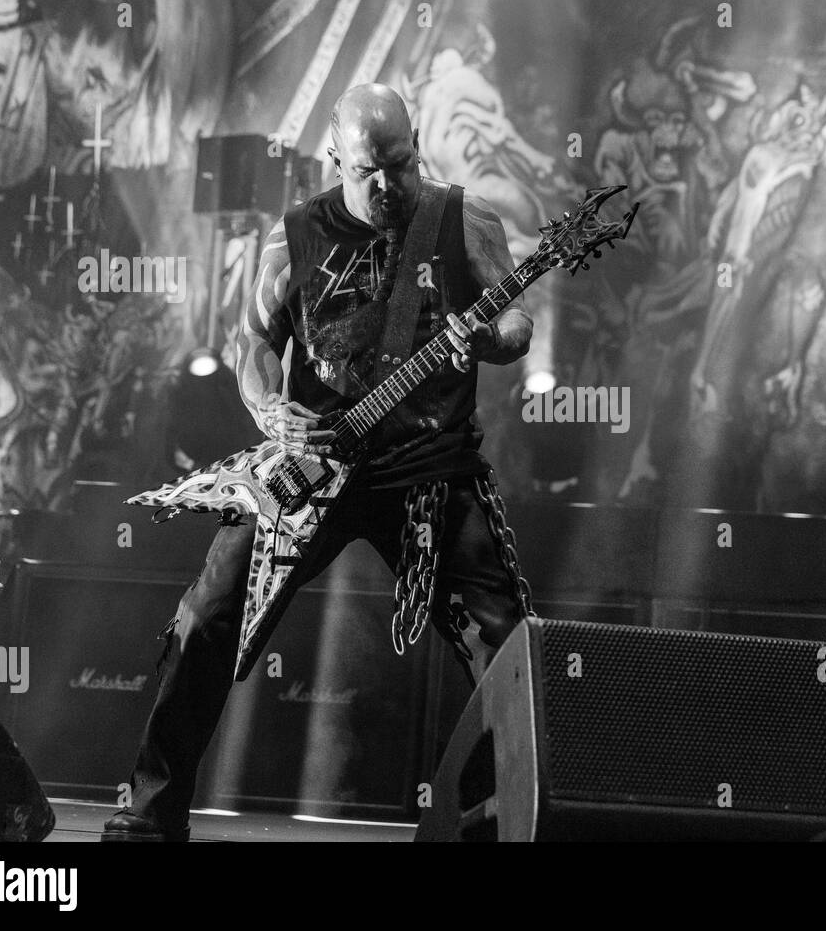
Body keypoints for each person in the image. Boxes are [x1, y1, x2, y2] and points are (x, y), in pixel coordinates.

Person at [103, 83, 534, 841]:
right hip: (315, 473)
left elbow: (515, 318)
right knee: (203, 618)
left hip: (430, 474)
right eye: (369, 170)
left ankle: (503, 829)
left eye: (401, 163)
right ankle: (148, 813)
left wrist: (496, 341)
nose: (388, 185)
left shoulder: (463, 218)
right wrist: (270, 410)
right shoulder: (294, 236)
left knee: (506, 651)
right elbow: (255, 348)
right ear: (335, 157)